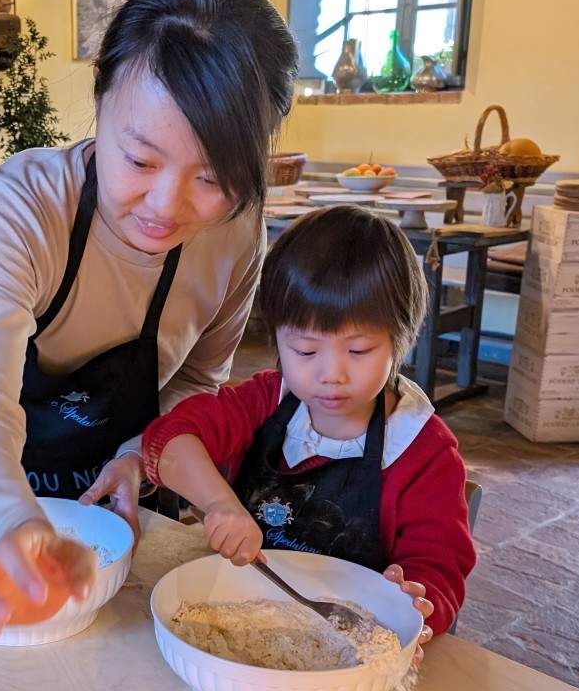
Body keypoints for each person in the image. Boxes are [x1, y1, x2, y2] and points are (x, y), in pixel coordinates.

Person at [0, 0, 298, 654]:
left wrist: (138, 456)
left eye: (213, 177)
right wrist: (10, 529)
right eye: (140, 160)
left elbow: (197, 380)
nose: (166, 207)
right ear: (99, 100)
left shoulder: (236, 232)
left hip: (128, 506)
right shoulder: (24, 210)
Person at [141, 205, 477, 646]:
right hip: (242, 608)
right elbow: (170, 439)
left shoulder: (422, 450)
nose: (331, 375)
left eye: (358, 351)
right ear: (277, 338)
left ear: (400, 340)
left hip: (348, 638)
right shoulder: (267, 400)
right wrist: (220, 503)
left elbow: (438, 570)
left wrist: (415, 599)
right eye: (305, 351)